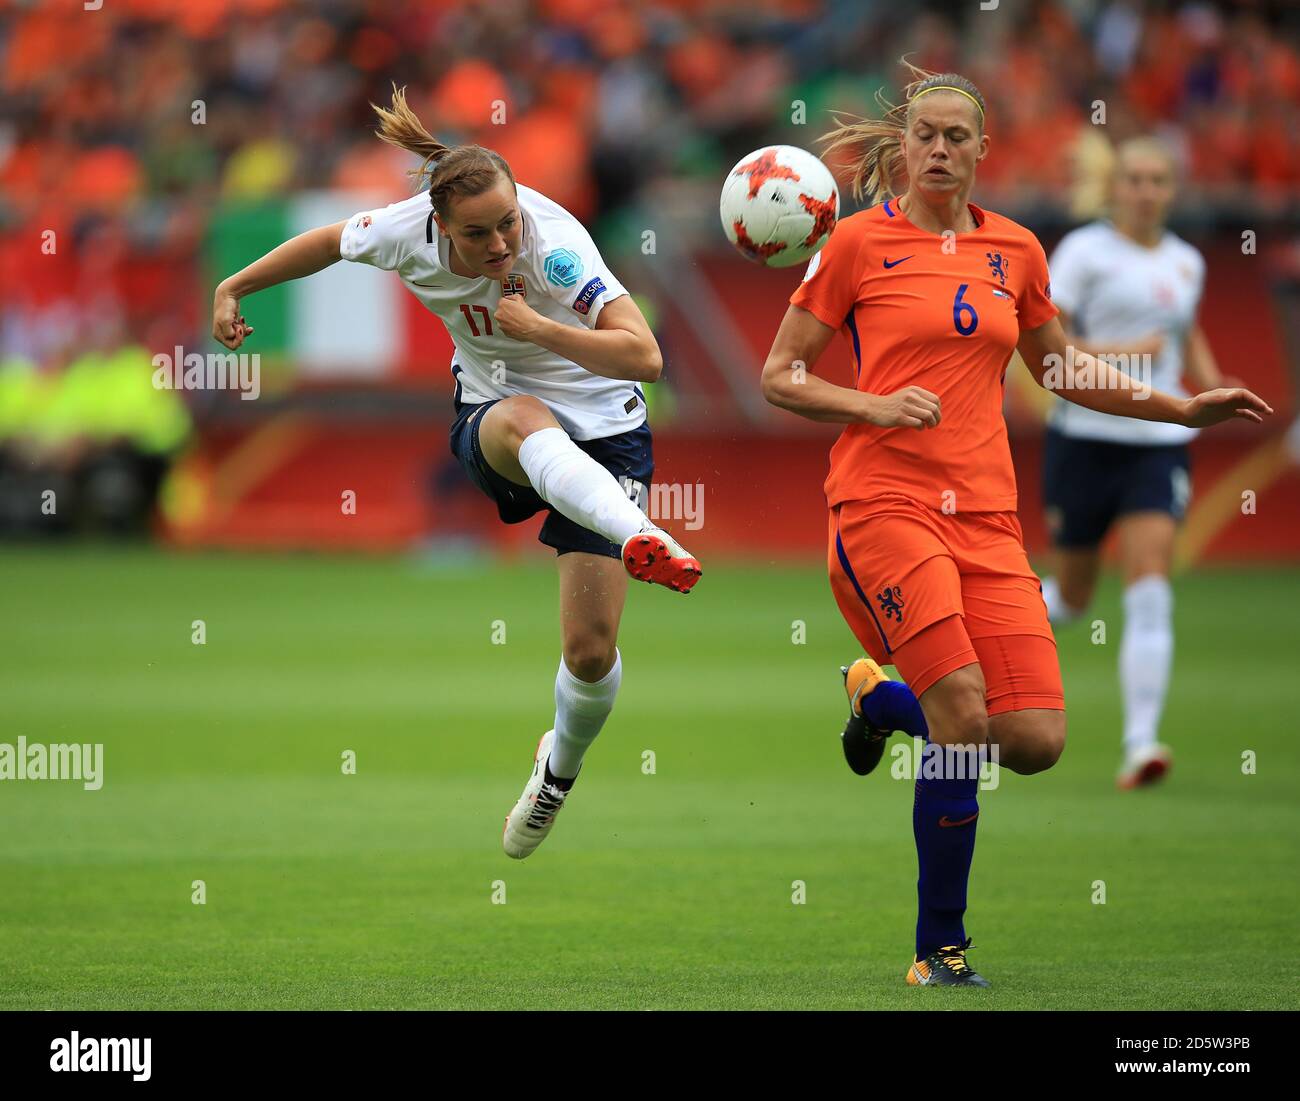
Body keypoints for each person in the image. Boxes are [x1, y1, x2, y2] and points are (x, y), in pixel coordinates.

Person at [759, 64, 1271, 986]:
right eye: (927, 135)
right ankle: (938, 950)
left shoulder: (1019, 251)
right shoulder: (855, 245)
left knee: (1033, 741)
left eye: (959, 135)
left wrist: (1181, 409)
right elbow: (781, 376)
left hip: (988, 517)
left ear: (985, 148)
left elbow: (1063, 370)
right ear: (905, 145)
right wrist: (871, 408)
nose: (941, 149)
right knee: (959, 712)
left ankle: (878, 697)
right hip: (884, 504)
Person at [212, 87, 702, 861]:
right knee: (519, 414)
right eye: (481, 234)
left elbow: (645, 356)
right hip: (500, 416)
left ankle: (556, 772)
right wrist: (235, 285)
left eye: (509, 221)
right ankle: (641, 532)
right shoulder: (405, 231)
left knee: (590, 651)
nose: (503, 243)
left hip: (608, 429)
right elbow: (328, 241)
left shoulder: (555, 245)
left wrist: (539, 326)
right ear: (440, 226)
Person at [1039, 137, 1228, 790]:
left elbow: (1184, 332)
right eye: (1135, 179)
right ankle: (974, 648)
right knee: (1070, 595)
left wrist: (1210, 389)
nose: (1146, 190)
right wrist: (1124, 352)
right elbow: (1047, 345)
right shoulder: (1083, 253)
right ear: (1115, 187)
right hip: (1084, 438)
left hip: (1158, 442)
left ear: (1172, 189)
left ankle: (1141, 742)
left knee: (1150, 582)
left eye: (1158, 180)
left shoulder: (1186, 262)